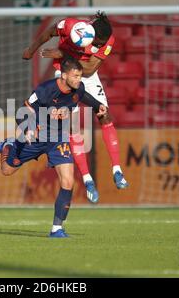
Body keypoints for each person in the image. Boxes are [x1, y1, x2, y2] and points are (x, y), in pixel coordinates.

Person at [0, 58, 108, 237]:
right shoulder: (45, 90)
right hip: (36, 137)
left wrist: (98, 105)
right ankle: (8, 143)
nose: (78, 80)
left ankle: (57, 228)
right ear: (64, 75)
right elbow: (23, 110)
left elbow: (83, 97)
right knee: (6, 170)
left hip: (58, 139)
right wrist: (27, 129)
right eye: (75, 76)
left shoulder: (78, 88)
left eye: (80, 76)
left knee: (67, 181)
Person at [22, 11, 129, 204]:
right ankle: (88, 180)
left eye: (100, 44)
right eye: (96, 42)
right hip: (63, 75)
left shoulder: (107, 41)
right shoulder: (71, 26)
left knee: (105, 114)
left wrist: (64, 54)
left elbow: (89, 69)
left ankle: (117, 170)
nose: (98, 46)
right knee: (71, 126)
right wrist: (31, 49)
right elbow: (50, 32)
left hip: (86, 76)